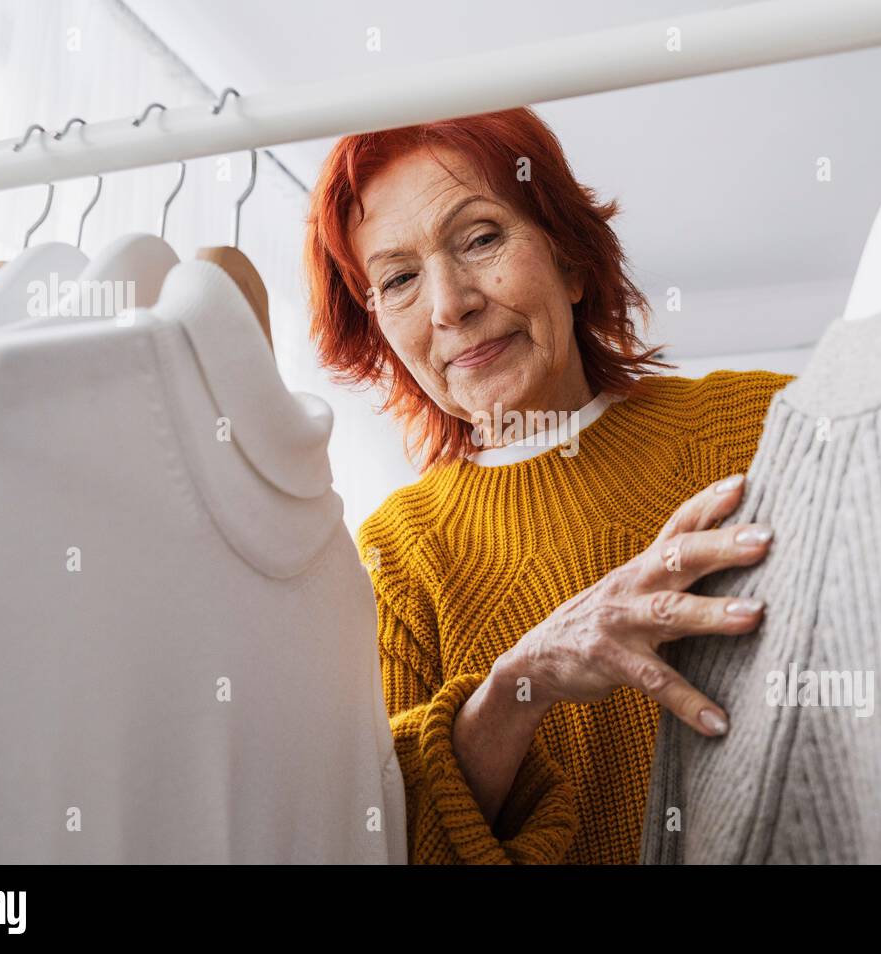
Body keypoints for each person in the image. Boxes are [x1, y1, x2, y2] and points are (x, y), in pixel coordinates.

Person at [304, 106, 792, 864]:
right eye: (399, 279)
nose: (449, 303)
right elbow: (387, 839)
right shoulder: (396, 558)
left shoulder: (763, 424)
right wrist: (520, 682)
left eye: (481, 238)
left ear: (570, 260)